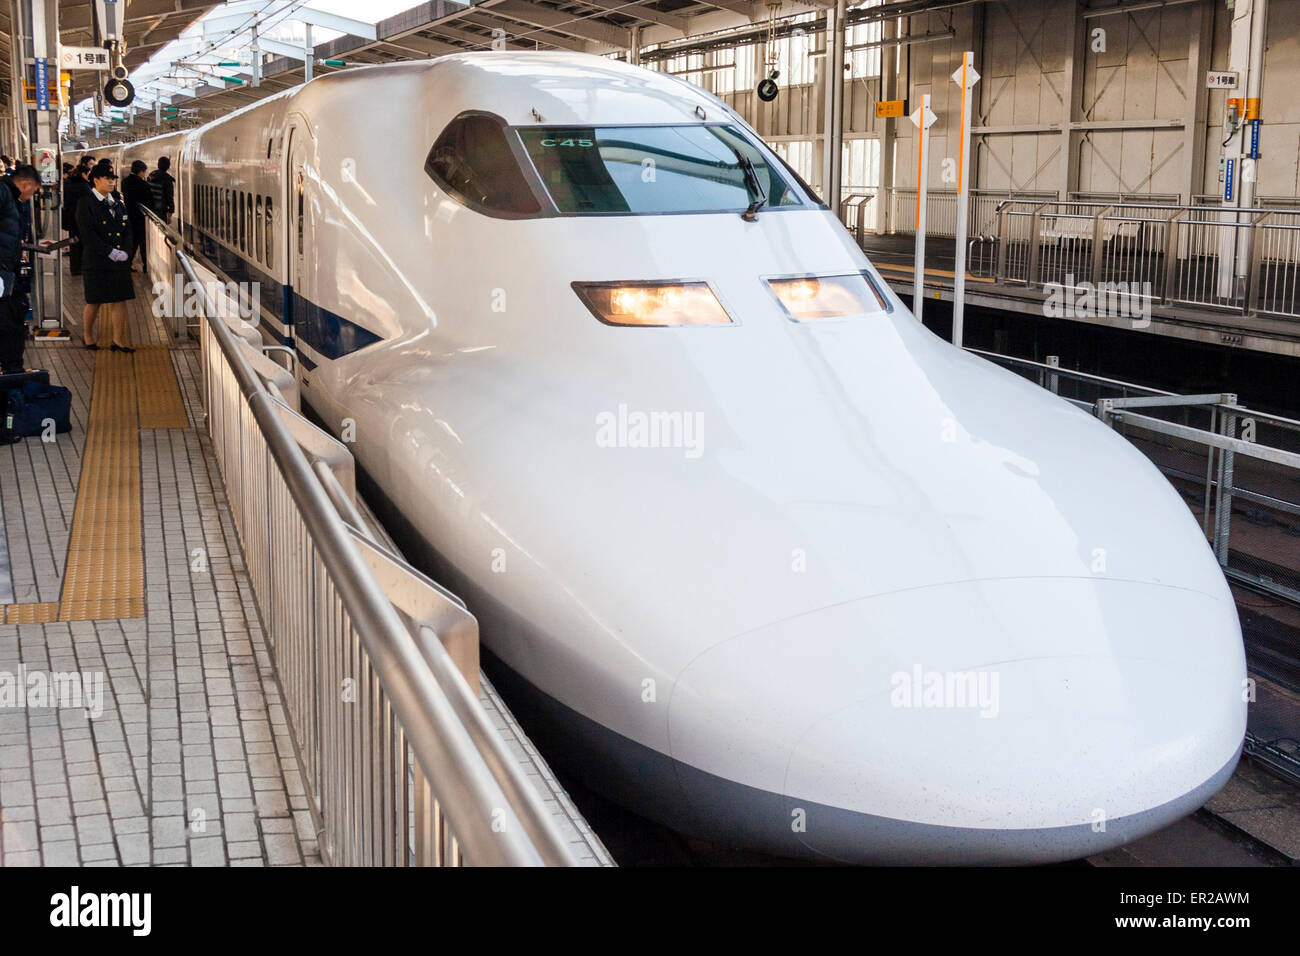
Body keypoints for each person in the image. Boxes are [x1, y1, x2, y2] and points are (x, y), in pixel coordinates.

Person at [76, 161, 135, 353]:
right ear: (96, 180)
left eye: (113, 179)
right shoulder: (86, 203)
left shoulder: (117, 202)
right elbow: (88, 234)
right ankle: (88, 336)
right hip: (97, 261)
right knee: (95, 301)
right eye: (107, 179)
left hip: (118, 261)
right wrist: (108, 251)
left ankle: (117, 340)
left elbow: (127, 230)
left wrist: (126, 251)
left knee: (120, 299)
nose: (111, 182)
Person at [0, 165, 40, 374]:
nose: (31, 196)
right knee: (7, 320)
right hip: (2, 271)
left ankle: (13, 369)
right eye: (33, 191)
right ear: (26, 184)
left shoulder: (10, 197)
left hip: (7, 271)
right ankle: (11, 369)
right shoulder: (3, 193)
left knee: (14, 315)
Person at [121, 160, 154, 272]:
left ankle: (128, 263)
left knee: (132, 242)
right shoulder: (143, 184)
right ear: (141, 171)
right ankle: (146, 266)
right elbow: (150, 201)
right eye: (144, 172)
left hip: (129, 215)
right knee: (144, 243)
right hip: (141, 218)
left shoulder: (124, 182)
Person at [62, 163, 90, 275]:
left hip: (72, 218)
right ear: (83, 174)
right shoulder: (83, 186)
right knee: (81, 244)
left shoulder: (70, 183)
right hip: (80, 219)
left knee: (74, 244)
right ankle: (79, 267)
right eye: (88, 174)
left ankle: (75, 267)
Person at [147, 156, 175, 225]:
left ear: (158, 165)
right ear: (168, 166)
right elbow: (169, 196)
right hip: (161, 211)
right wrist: (171, 211)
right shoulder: (167, 179)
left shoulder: (151, 175)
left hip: (150, 209)